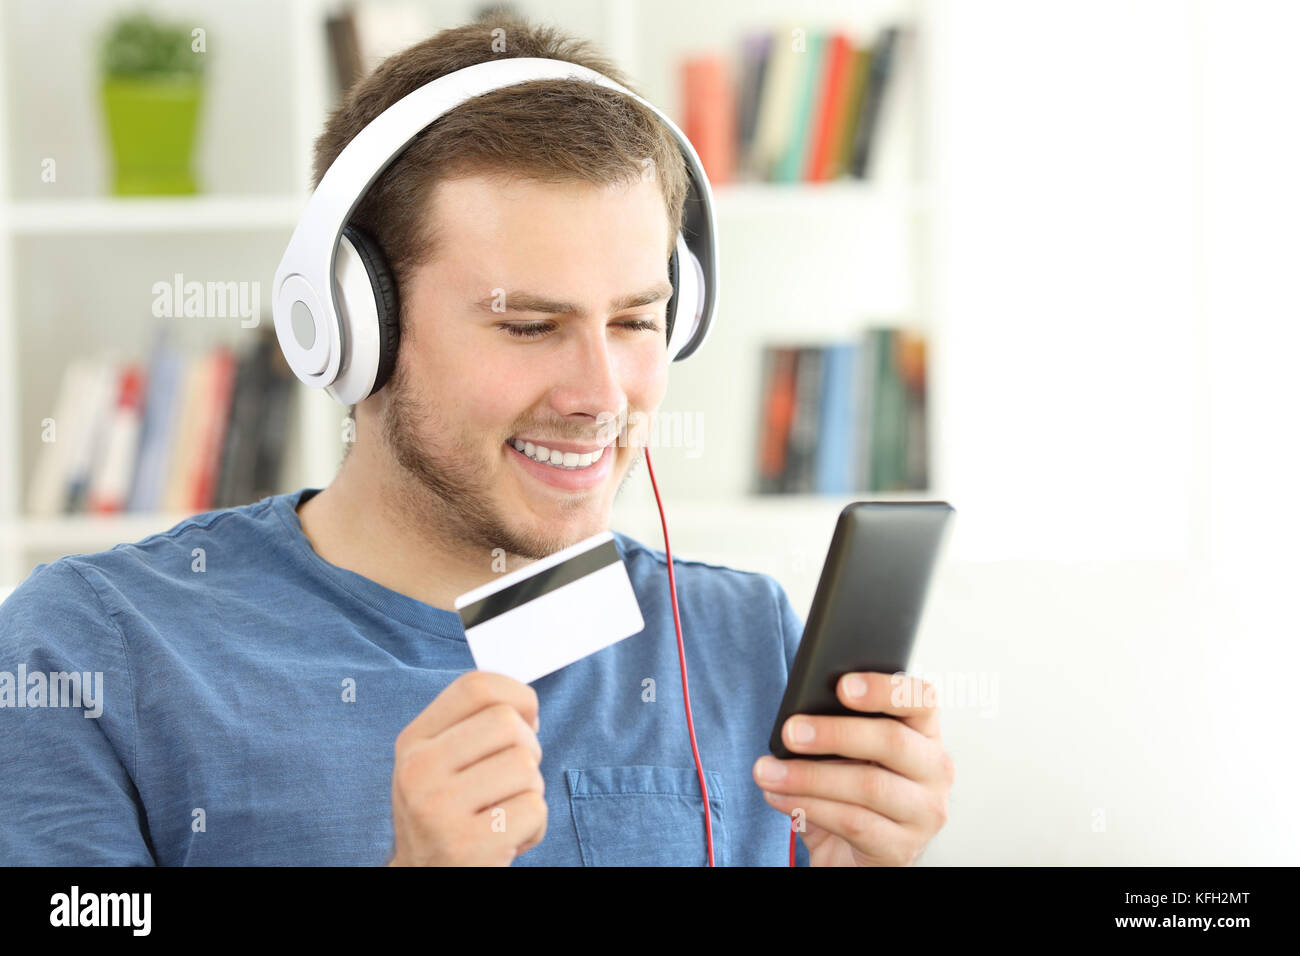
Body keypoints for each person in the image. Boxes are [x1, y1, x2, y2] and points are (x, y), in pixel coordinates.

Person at [0, 13, 953, 866]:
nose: (600, 396)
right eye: (529, 326)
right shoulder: (92, 653)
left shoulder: (746, 643)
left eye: (634, 322)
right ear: (349, 326)